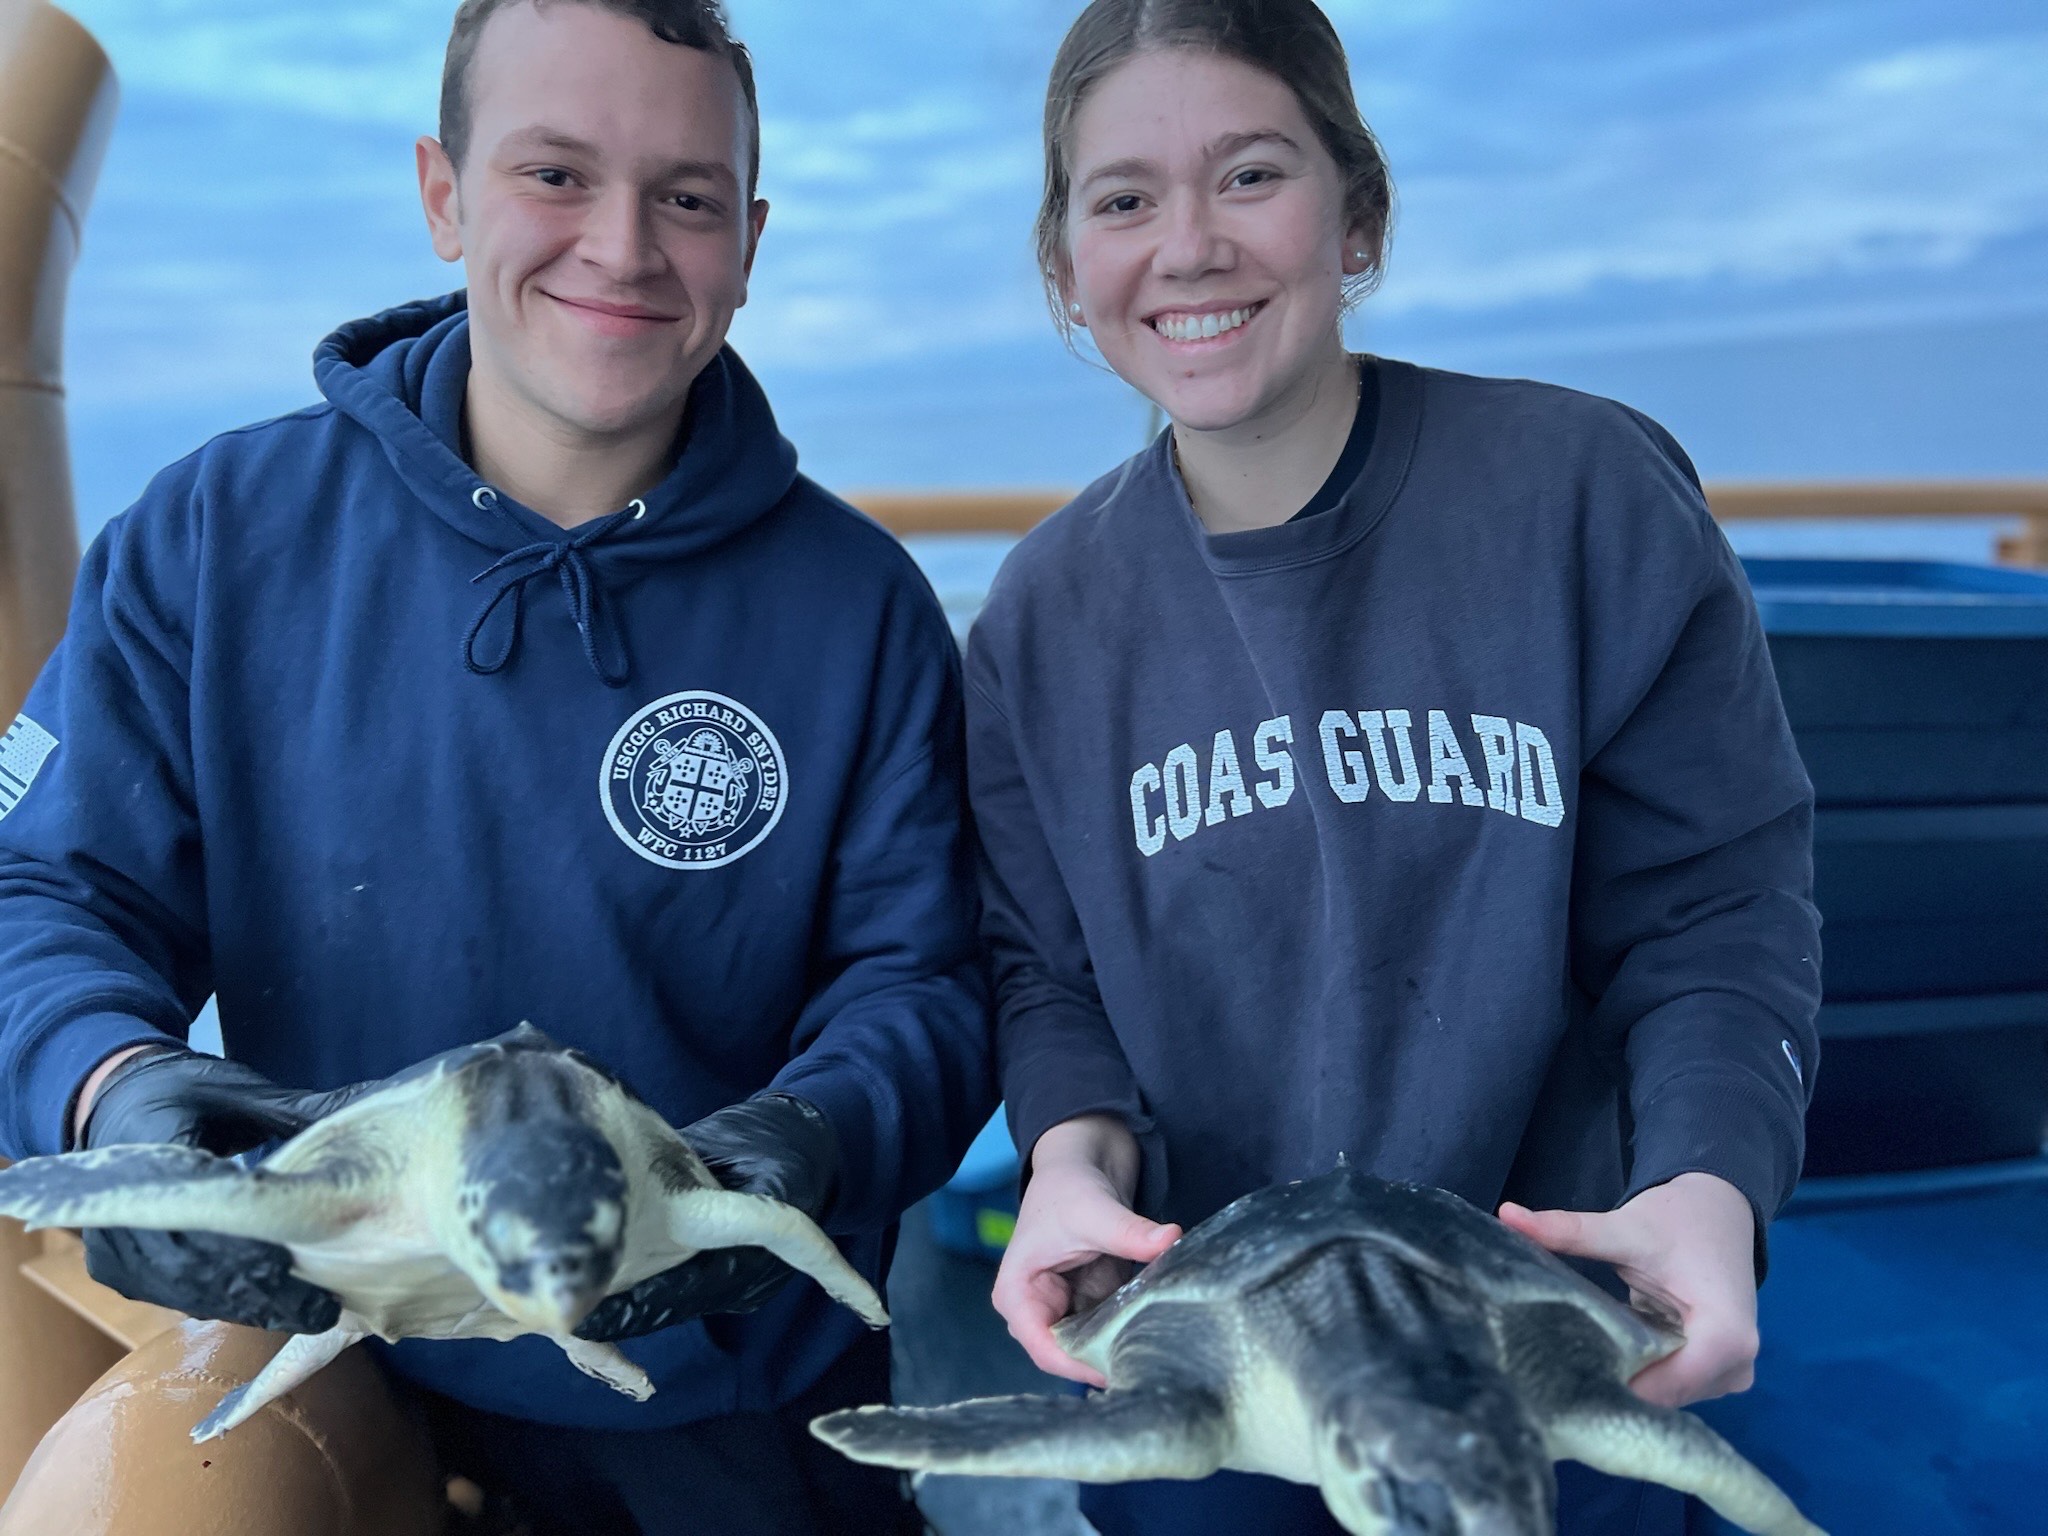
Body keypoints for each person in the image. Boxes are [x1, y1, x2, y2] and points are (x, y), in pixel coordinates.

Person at [0, 1, 992, 1531]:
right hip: (331, 1333)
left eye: (687, 195)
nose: (622, 246)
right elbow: (42, 890)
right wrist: (108, 1092)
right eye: (554, 174)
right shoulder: (213, 538)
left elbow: (921, 982)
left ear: (751, 233)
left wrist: (809, 1143)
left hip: (710, 1385)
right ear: (443, 193)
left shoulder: (859, 609)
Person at [970, 2, 1822, 1532]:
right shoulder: (1042, 616)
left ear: (1354, 212)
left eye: (1250, 175)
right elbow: (1051, 981)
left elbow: (1711, 917)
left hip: (1548, 1353)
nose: (1189, 246)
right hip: (1205, 1376)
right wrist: (1068, 1162)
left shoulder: (1586, 498)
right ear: (1063, 264)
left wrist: (1708, 1182)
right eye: (1122, 200)